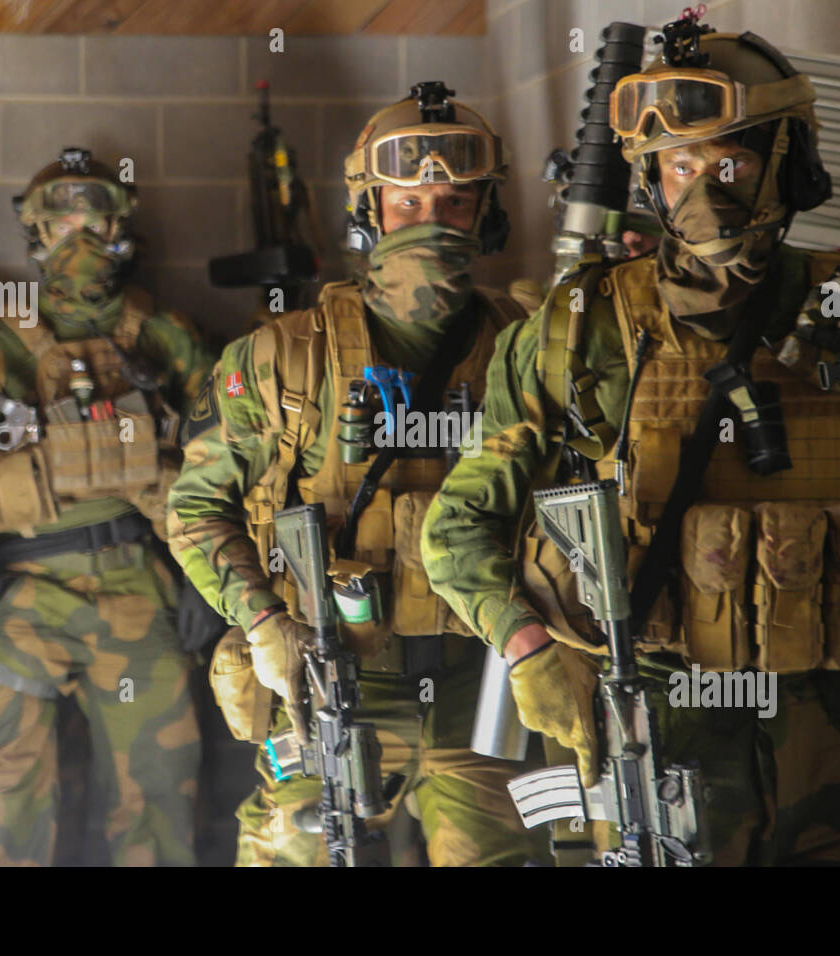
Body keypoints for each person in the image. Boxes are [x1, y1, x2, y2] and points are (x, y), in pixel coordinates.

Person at [421, 22, 840, 865]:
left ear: (789, 159)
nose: (705, 188)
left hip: (837, 749)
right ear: (650, 179)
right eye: (679, 165)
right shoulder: (575, 330)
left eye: (729, 161)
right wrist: (526, 648)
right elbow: (456, 530)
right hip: (655, 737)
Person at [168, 82, 549, 866]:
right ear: (370, 214)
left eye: (453, 203)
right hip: (336, 670)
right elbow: (198, 508)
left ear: (488, 214)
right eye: (407, 205)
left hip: (487, 679)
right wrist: (264, 621)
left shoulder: (530, 345)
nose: (431, 222)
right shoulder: (284, 356)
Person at [0, 148, 212, 866]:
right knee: (7, 793)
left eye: (93, 218)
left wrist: (209, 572)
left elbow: (224, 461)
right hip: (25, 594)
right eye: (61, 222)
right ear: (37, 236)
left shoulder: (163, 334)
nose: (78, 237)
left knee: (160, 789)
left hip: (136, 584)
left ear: (120, 229)